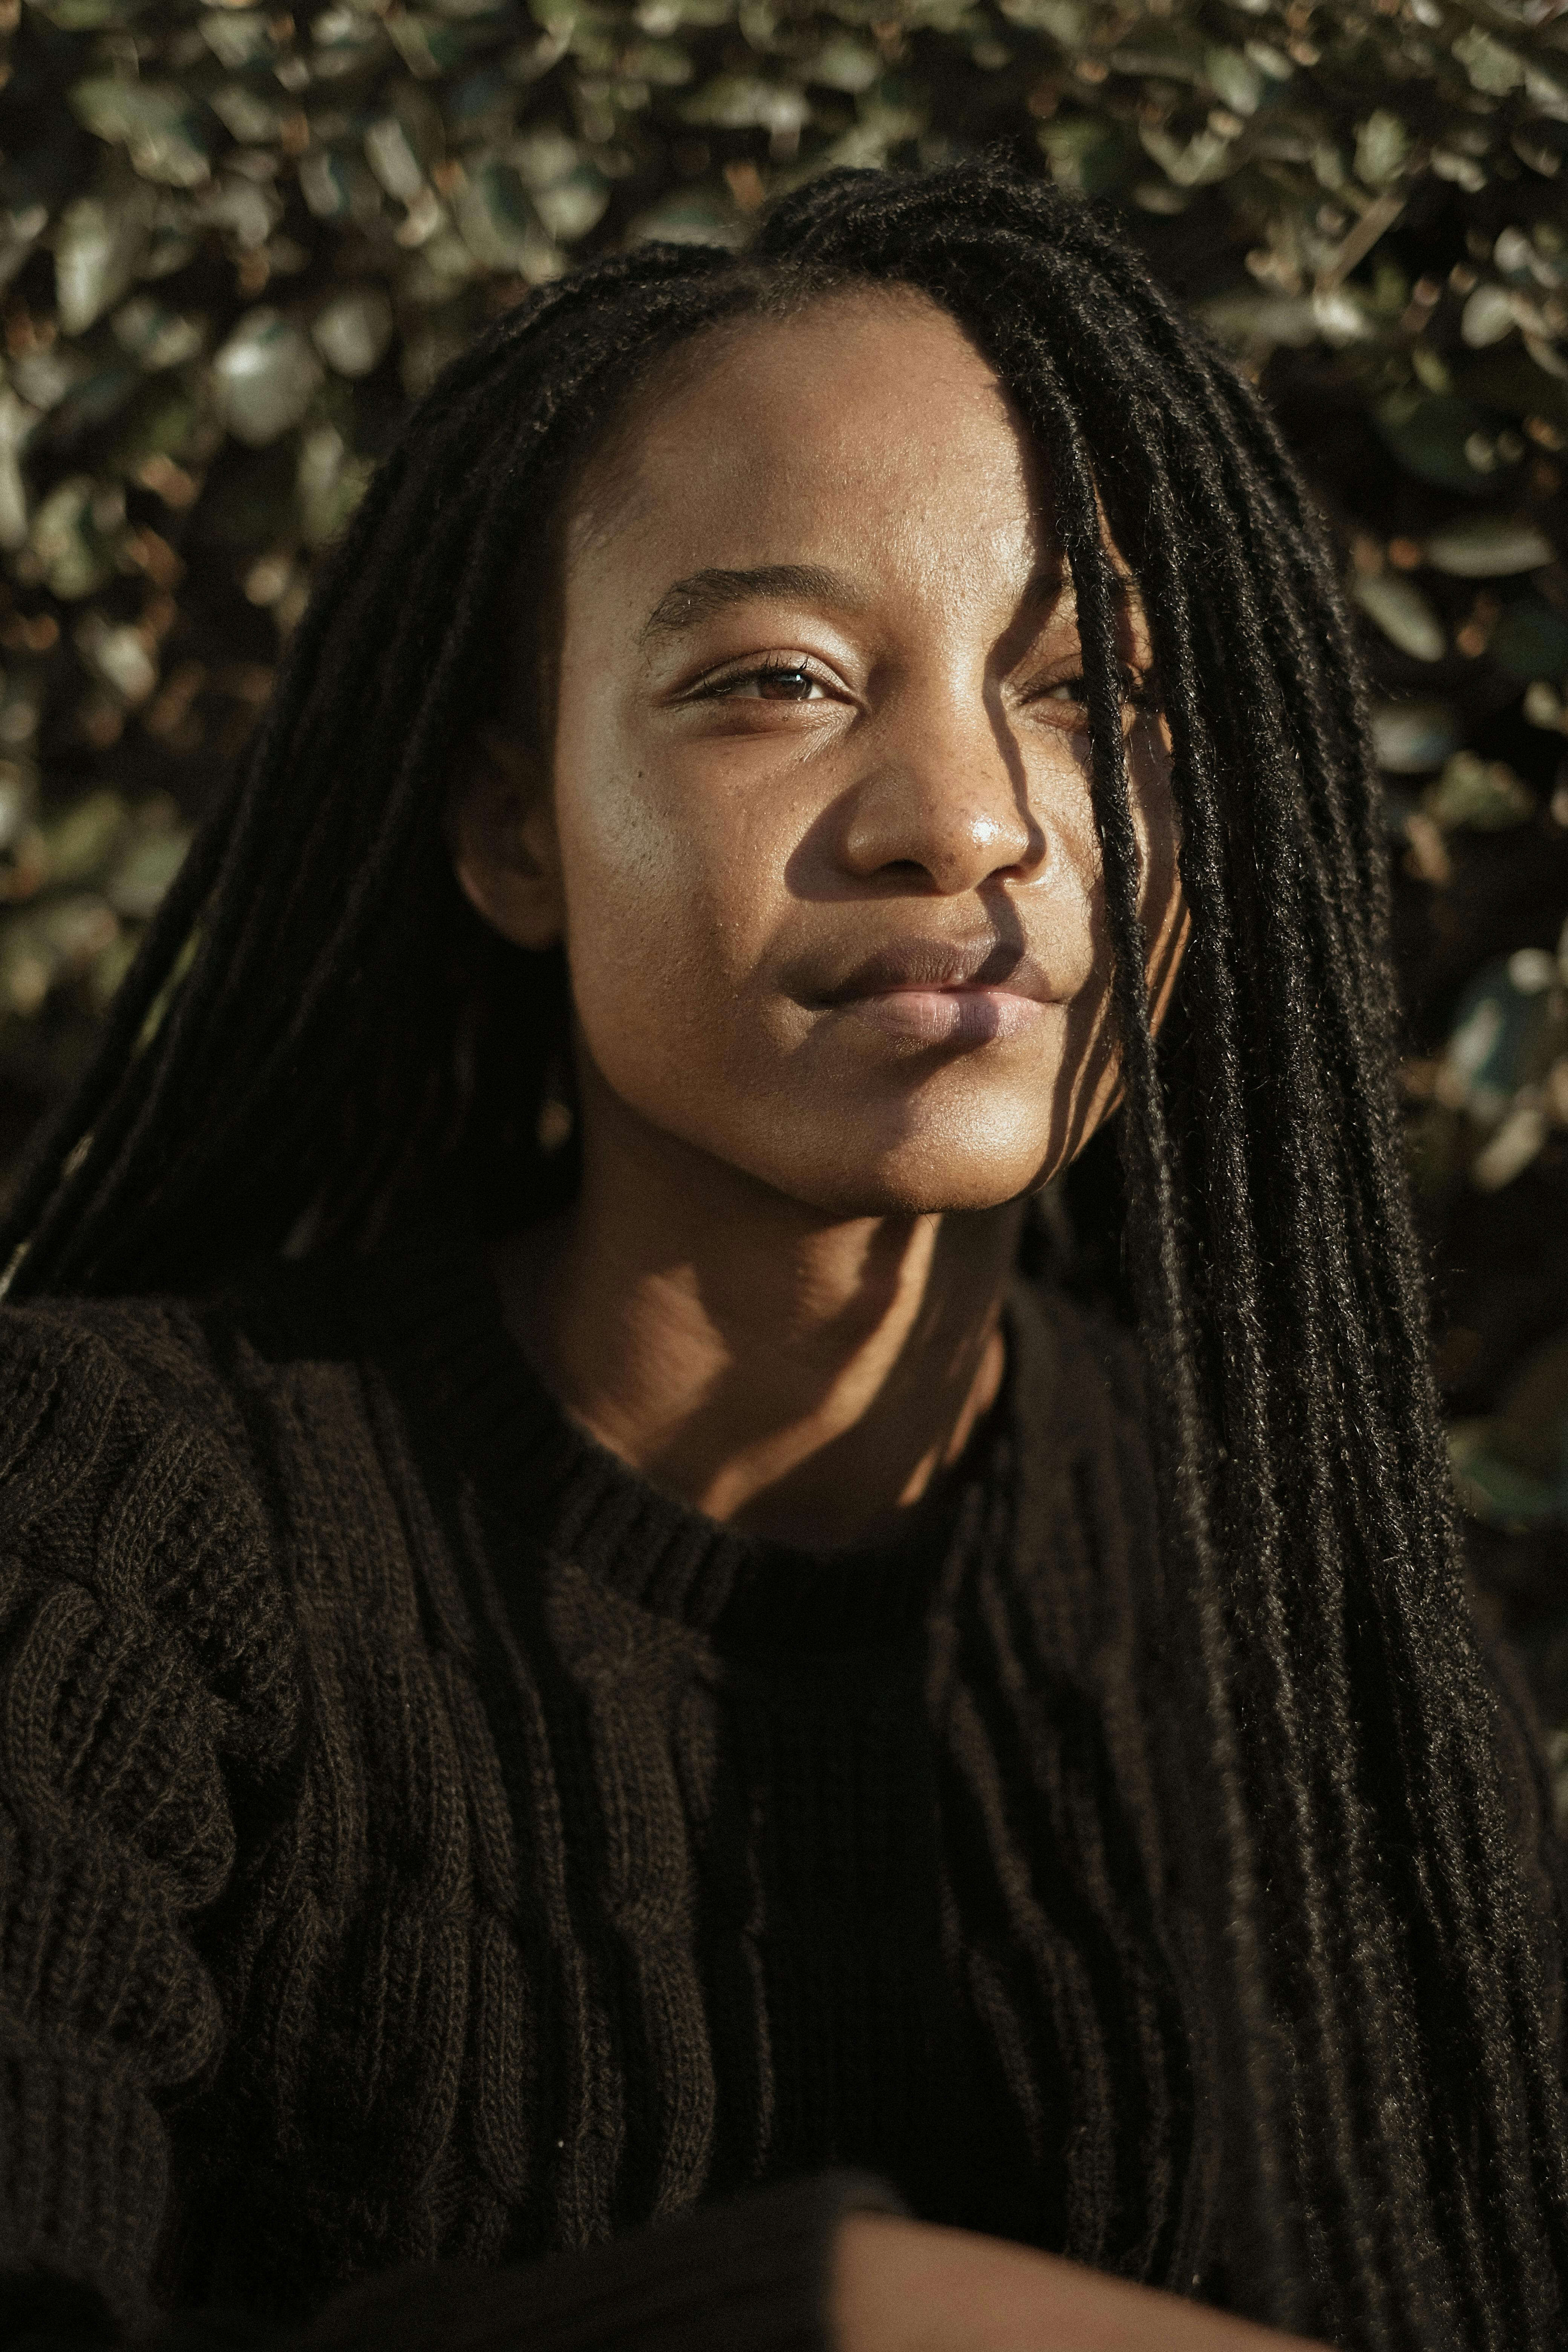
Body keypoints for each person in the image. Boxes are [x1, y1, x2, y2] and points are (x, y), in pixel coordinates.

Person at [0, 160, 1560, 2352]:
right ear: (515, 829)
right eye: (780, 681)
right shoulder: (121, 1514)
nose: (967, 819)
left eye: (1086, 690)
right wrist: (817, 2318)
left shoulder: (1298, 1598)